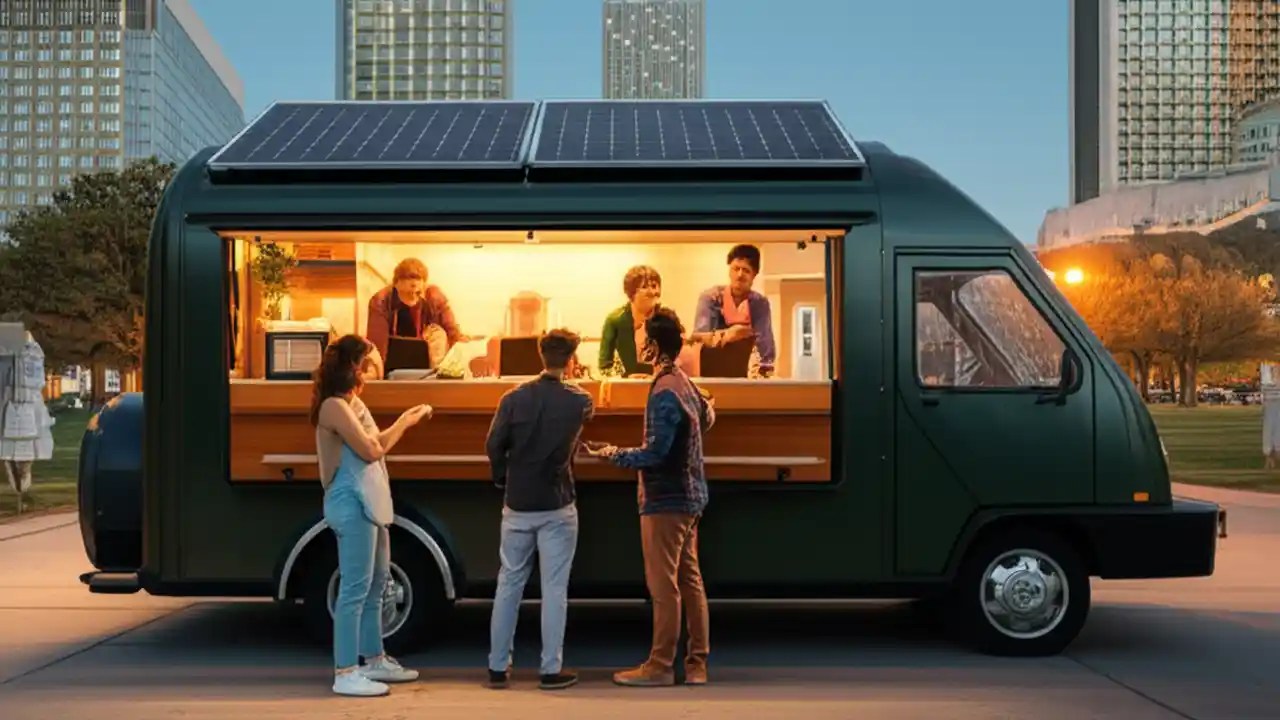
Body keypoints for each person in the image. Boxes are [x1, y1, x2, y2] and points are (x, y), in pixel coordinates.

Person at [587, 307, 715, 687]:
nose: (638, 343)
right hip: (692, 497)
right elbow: (707, 417)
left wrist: (612, 453)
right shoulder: (684, 382)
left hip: (666, 501)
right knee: (691, 581)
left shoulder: (663, 392)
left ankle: (660, 666)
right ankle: (697, 664)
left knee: (663, 587)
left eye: (643, 338)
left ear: (655, 346)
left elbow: (656, 453)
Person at [310, 334, 433, 697]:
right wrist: (405, 422)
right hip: (351, 502)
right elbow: (371, 450)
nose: (374, 368)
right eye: (368, 362)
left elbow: (375, 443)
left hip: (370, 500)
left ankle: (374, 659)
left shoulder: (352, 403)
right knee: (355, 588)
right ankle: (345, 671)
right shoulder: (333, 406)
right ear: (353, 366)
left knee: (377, 582)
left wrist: (403, 421)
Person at [484, 329, 595, 691]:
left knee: (508, 584)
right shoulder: (580, 401)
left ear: (540, 355)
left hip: (518, 502)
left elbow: (493, 444)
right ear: (572, 360)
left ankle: (497, 666)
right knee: (554, 588)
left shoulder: (512, 398)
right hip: (557, 503)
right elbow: (587, 413)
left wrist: (503, 477)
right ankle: (550, 669)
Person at [366, 258, 464, 371]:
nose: (412, 296)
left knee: (438, 333)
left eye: (417, 293)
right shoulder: (381, 300)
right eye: (407, 293)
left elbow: (453, 332)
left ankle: (437, 374)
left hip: (429, 358)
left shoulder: (435, 297)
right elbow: (377, 344)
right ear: (396, 284)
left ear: (424, 285)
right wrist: (376, 373)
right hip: (392, 359)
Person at [693, 244, 777, 377]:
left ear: (754, 275)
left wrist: (765, 374)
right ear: (729, 270)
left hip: (745, 374)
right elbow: (699, 339)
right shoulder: (710, 297)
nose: (740, 275)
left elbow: (765, 346)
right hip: (709, 372)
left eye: (746, 270)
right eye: (736, 268)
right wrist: (729, 335)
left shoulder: (760, 303)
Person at [599, 265, 663, 377]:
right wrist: (625, 378)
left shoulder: (666, 320)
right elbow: (604, 366)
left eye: (654, 286)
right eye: (644, 287)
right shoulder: (615, 320)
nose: (651, 292)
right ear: (631, 292)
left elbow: (675, 361)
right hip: (624, 384)